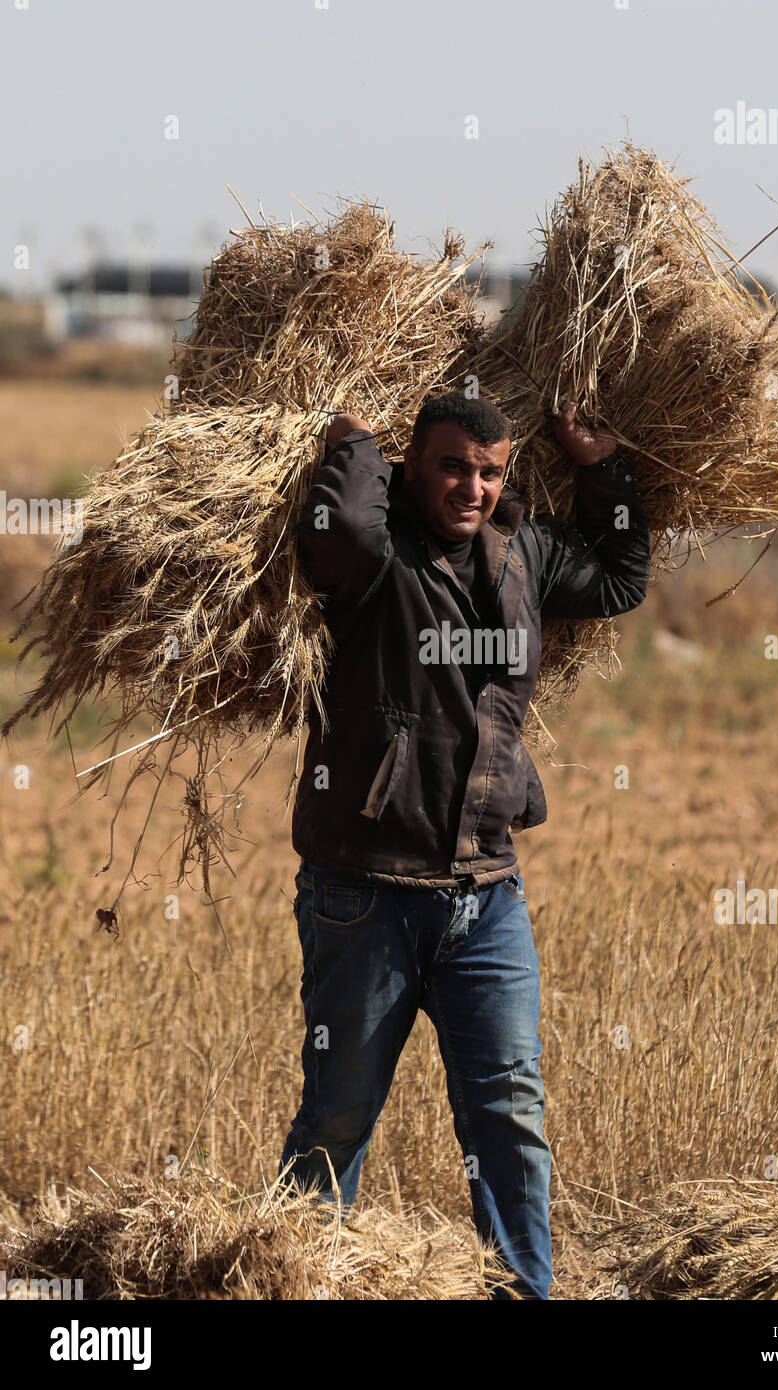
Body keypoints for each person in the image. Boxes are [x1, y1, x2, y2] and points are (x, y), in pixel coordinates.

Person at [278, 390, 650, 1299]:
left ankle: (524, 1290)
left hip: (486, 891)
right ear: (412, 466)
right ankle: (295, 1281)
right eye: (451, 466)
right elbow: (345, 530)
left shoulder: (522, 554)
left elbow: (618, 579)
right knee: (337, 1117)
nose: (471, 487)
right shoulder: (374, 558)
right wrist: (357, 441)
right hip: (365, 888)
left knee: (510, 1112)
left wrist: (602, 468)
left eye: (490, 471)